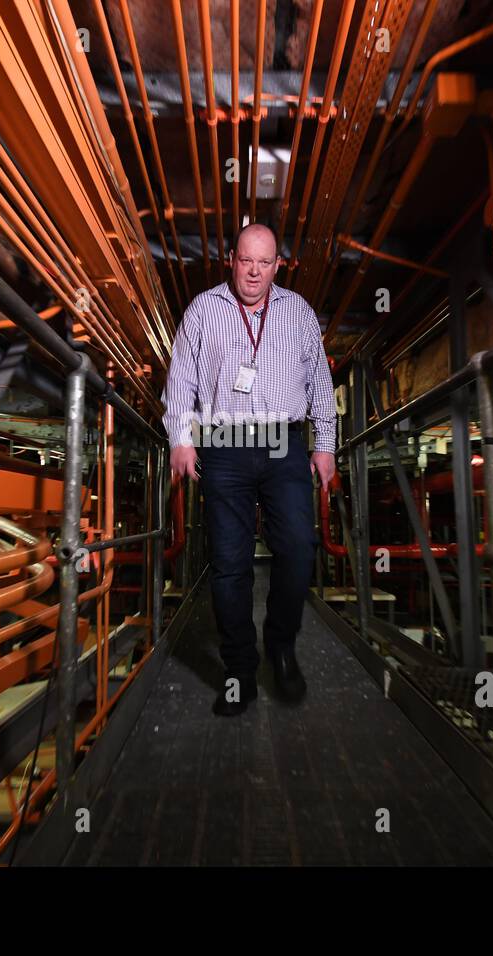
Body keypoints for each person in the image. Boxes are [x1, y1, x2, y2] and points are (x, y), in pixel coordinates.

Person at [162, 223, 337, 716]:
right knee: (229, 564)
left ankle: (281, 645)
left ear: (277, 265)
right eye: (246, 261)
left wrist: (325, 445)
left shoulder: (298, 312)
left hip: (283, 439)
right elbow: (181, 379)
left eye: (265, 262)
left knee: (300, 550)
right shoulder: (203, 310)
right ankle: (240, 669)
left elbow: (319, 380)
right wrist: (181, 436)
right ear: (231, 259)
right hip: (224, 442)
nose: (254, 272)